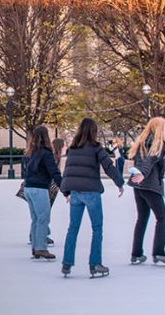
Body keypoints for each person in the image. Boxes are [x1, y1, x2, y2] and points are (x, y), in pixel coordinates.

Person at [60, 118, 124, 278]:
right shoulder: (96, 148)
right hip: (91, 192)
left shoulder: (73, 148)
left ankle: (67, 263)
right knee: (97, 228)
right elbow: (108, 165)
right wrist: (120, 183)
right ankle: (95, 264)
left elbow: (68, 171)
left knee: (73, 228)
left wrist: (66, 191)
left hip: (75, 192)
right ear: (93, 131)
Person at [128, 117, 165, 266]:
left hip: (139, 186)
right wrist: (142, 174)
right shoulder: (158, 144)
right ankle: (159, 252)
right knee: (162, 218)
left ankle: (136, 254)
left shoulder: (142, 142)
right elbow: (150, 161)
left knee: (142, 218)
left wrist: (140, 175)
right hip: (149, 185)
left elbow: (145, 160)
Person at [22, 126, 62, 261]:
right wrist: (64, 187)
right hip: (39, 188)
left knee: (35, 219)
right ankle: (41, 248)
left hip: (28, 188)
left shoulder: (30, 152)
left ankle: (35, 246)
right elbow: (54, 171)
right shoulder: (46, 152)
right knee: (43, 218)